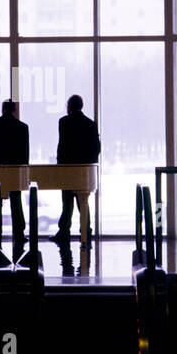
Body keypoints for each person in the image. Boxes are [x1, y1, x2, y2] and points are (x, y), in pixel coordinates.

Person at [51, 94, 101, 244]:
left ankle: (64, 231)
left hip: (68, 168)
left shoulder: (64, 122)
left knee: (67, 203)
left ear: (69, 106)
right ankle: (86, 231)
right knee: (83, 202)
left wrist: (60, 165)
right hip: (84, 170)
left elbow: (63, 145)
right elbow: (96, 147)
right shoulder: (90, 124)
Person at [0, 99, 29, 248]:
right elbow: (25, 153)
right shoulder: (22, 127)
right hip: (14, 171)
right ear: (14, 110)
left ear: (2, 109)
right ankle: (19, 235)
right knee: (16, 202)